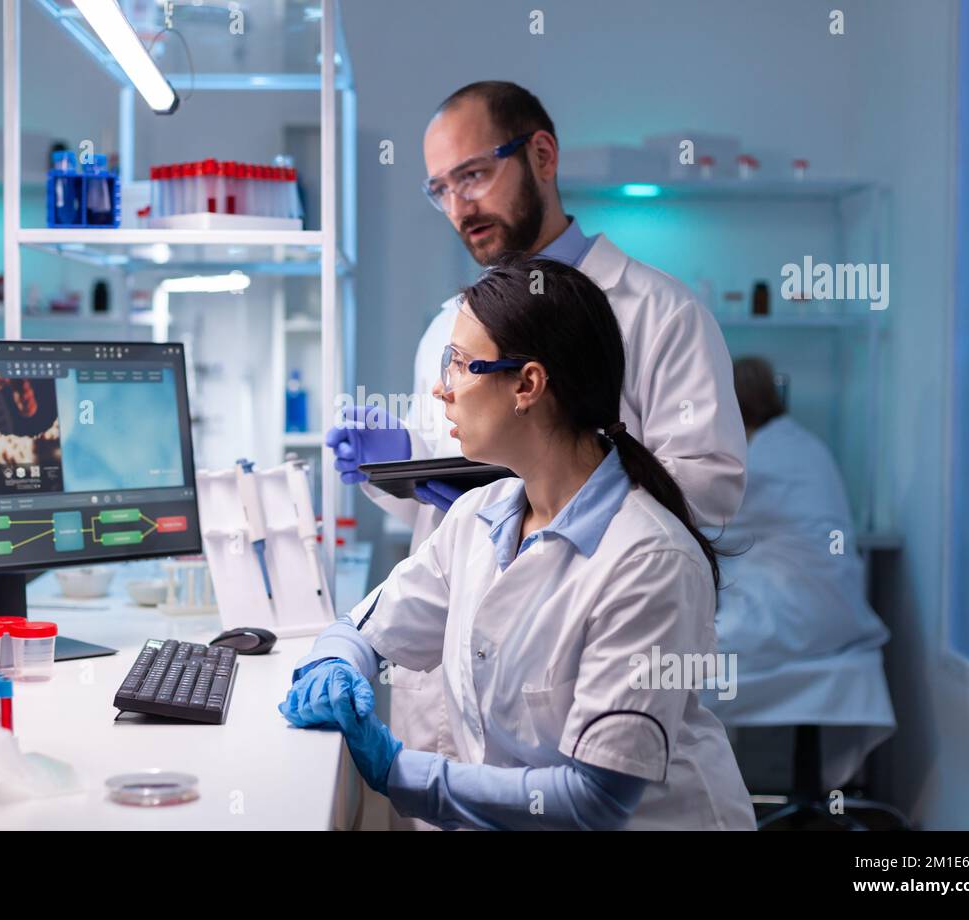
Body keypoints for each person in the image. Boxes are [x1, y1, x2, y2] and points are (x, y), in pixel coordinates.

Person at [325, 82, 747, 786]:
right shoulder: (451, 323)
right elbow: (446, 515)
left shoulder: (659, 313)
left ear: (542, 156)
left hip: (581, 668)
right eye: (440, 189)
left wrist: (542, 487)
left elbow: (708, 491)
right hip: (456, 691)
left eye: (473, 175)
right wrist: (401, 469)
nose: (460, 205)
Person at [284, 257, 755, 831]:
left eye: (459, 364)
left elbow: (594, 798)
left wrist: (397, 772)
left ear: (528, 384)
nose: (441, 388)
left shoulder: (648, 561)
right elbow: (365, 628)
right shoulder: (480, 515)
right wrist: (336, 664)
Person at [702, 357, 895, 790]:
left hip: (796, 617)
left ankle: (695, 806)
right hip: (829, 614)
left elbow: (700, 522)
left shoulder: (759, 459)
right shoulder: (799, 443)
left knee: (680, 671)